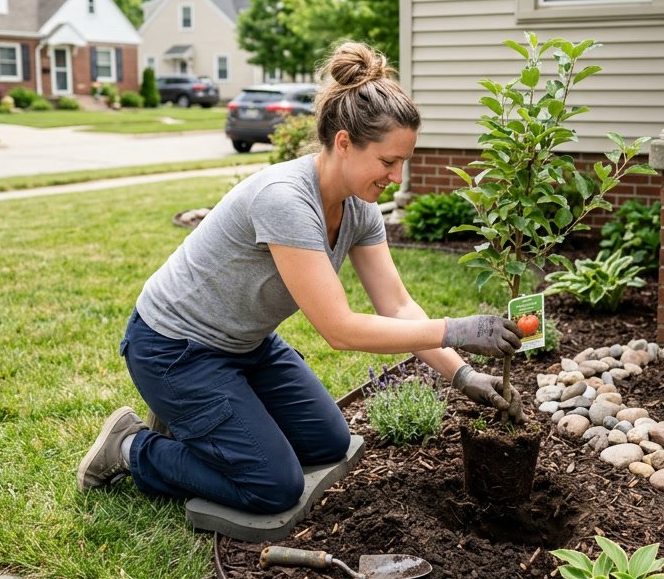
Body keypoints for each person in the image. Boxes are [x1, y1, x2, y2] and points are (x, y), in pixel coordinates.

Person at [76, 42, 524, 516]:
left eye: (403, 162)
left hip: (245, 345)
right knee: (272, 486)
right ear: (345, 142)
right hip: (173, 349)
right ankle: (131, 447)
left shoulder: (359, 208)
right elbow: (339, 329)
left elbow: (397, 306)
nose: (397, 175)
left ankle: (195, 419)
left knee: (329, 442)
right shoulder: (286, 200)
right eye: (388, 161)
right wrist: (458, 328)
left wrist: (463, 373)